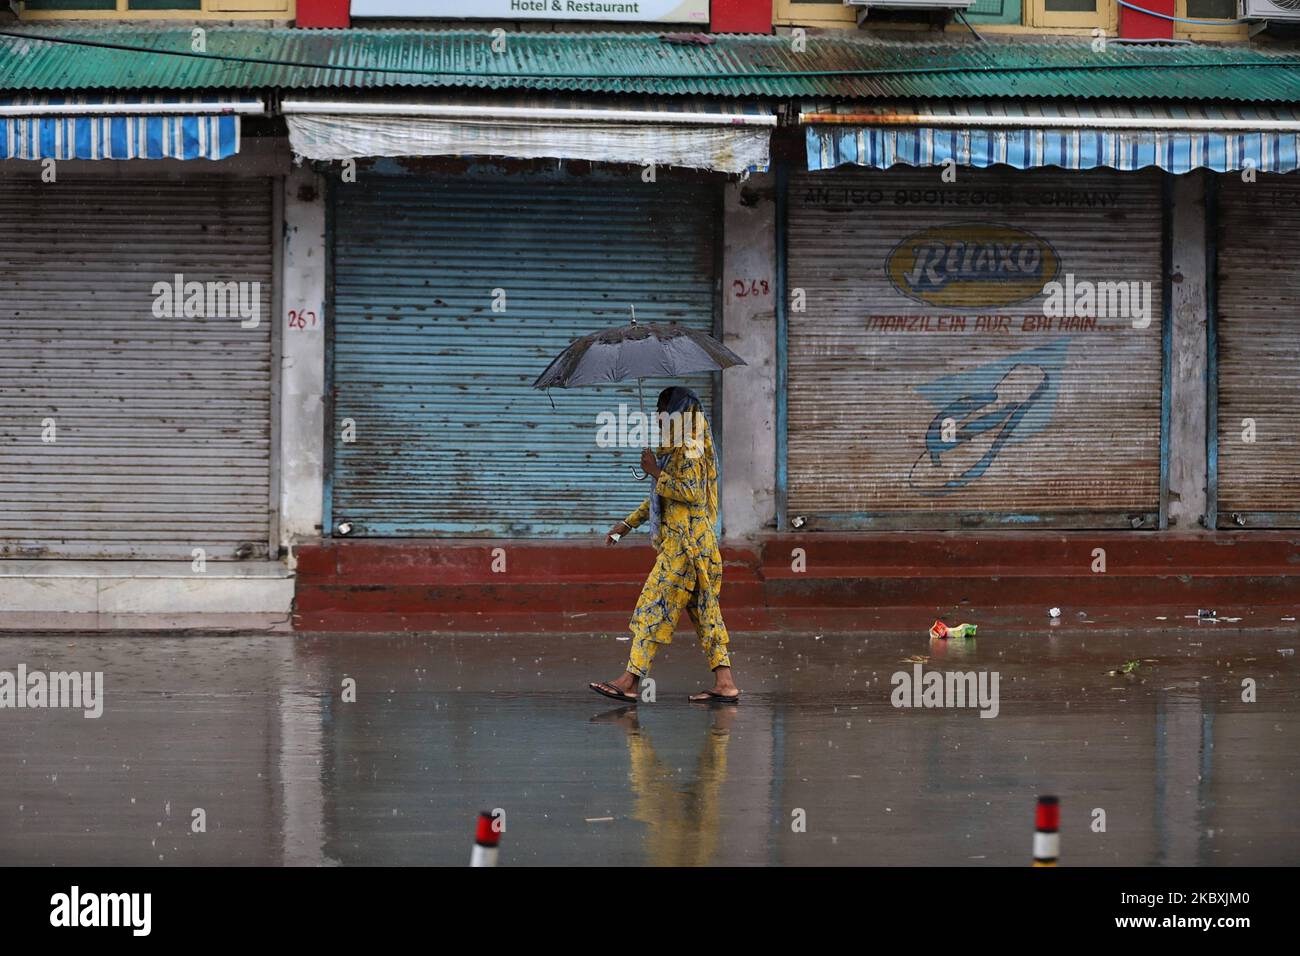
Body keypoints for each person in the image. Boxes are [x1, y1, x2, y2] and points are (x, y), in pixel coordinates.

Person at [589, 386, 740, 704]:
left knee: (651, 608)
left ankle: (630, 680)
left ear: (677, 413)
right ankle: (725, 683)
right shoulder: (674, 450)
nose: (657, 417)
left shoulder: (690, 448)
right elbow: (662, 500)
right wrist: (626, 525)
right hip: (698, 549)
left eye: (661, 411)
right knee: (706, 615)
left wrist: (656, 472)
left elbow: (691, 493)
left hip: (685, 549)